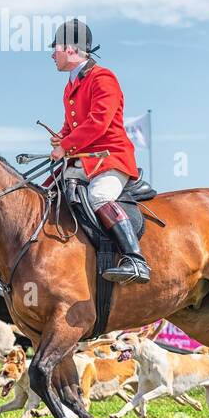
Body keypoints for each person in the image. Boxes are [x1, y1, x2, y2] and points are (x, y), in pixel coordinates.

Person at [48, 18, 148, 284]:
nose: (52, 55)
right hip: (84, 162)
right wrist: (62, 139)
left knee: (98, 196)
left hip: (110, 159)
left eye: (55, 48)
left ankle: (135, 260)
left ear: (70, 49)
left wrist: (66, 146)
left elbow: (98, 123)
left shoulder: (103, 78)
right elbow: (72, 126)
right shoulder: (70, 85)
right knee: (51, 194)